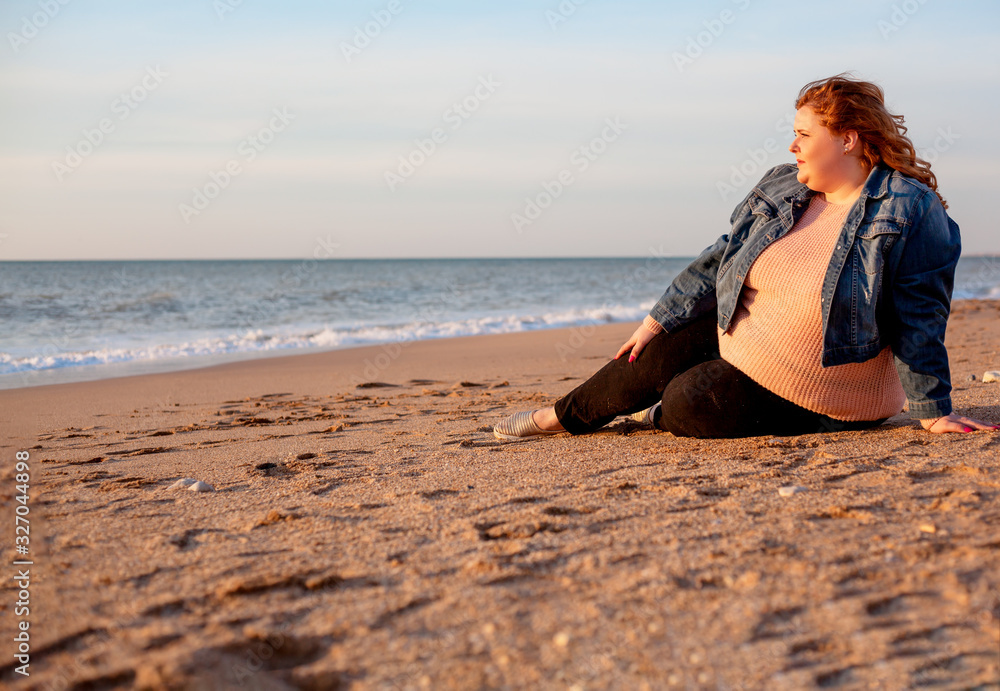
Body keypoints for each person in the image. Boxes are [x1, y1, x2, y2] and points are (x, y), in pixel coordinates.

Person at [494, 74, 999, 441]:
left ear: (846, 139)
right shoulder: (784, 184)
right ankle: (558, 417)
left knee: (688, 401)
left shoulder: (909, 209)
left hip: (829, 389)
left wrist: (933, 410)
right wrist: (656, 320)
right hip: (748, 342)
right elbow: (721, 256)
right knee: (656, 349)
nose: (792, 145)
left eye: (804, 134)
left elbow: (922, 312)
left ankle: (656, 415)